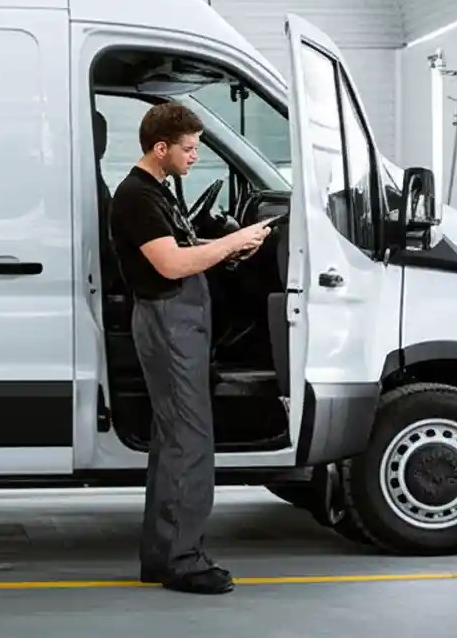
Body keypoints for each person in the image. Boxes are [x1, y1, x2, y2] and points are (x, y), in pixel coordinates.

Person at [108, 102, 272, 595]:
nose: (194, 156)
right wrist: (232, 241)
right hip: (168, 321)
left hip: (178, 321)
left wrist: (227, 244)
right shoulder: (136, 197)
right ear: (161, 148)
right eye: (188, 148)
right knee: (190, 441)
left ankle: (163, 554)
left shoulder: (156, 191)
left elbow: (179, 244)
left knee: (173, 440)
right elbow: (172, 265)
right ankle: (184, 560)